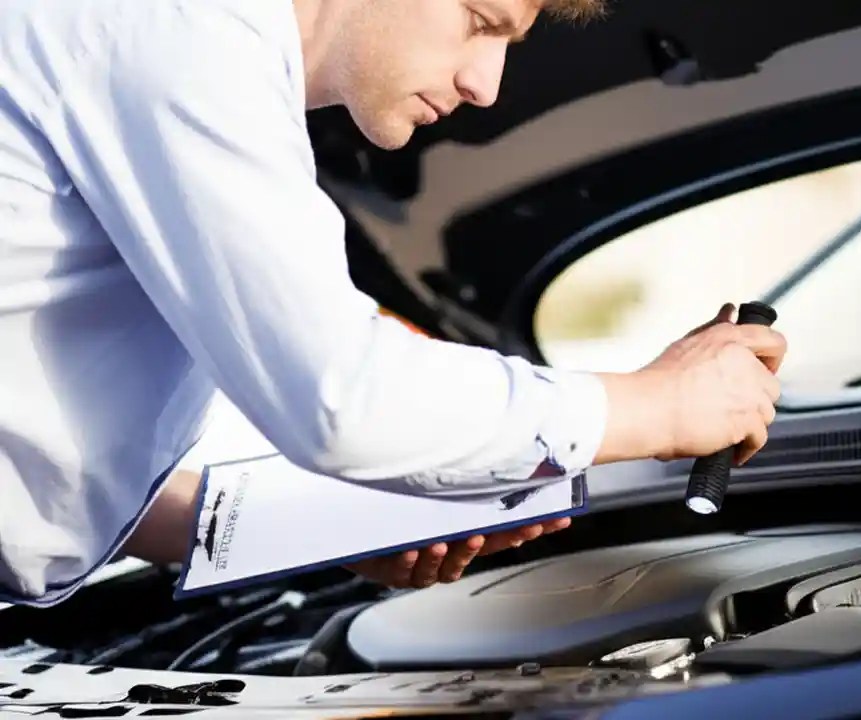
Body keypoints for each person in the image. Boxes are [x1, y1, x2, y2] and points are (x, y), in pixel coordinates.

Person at [0, 0, 786, 608]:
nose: (487, 85)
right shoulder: (184, 36)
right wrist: (652, 407)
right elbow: (342, 400)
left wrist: (286, 528)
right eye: (481, 23)